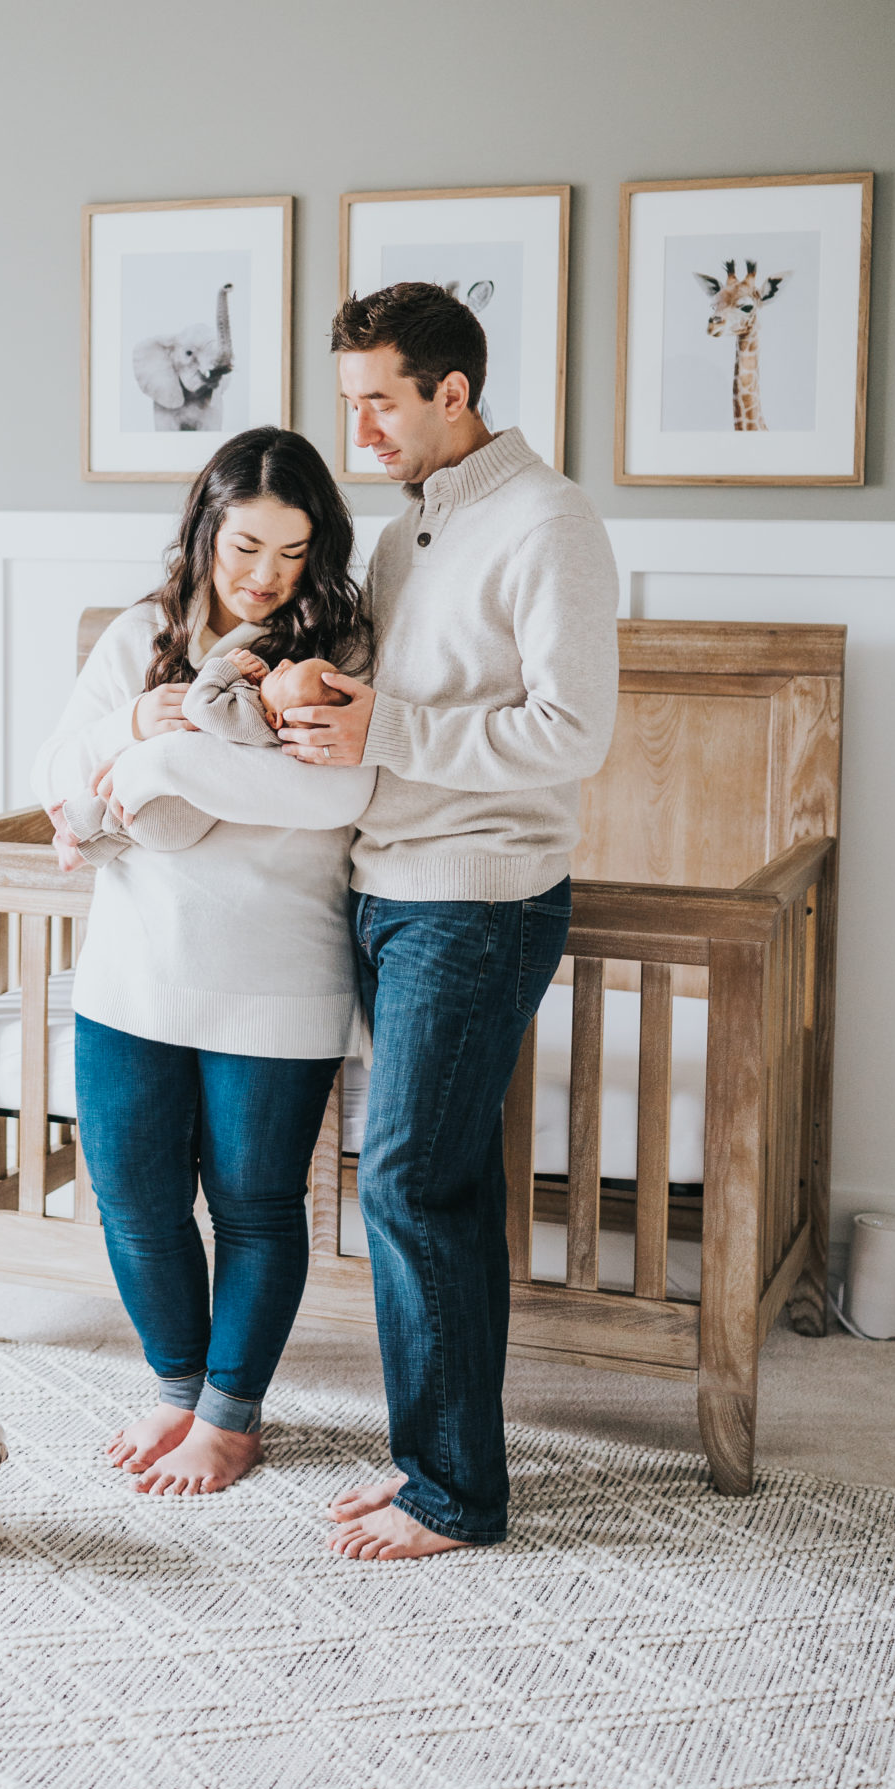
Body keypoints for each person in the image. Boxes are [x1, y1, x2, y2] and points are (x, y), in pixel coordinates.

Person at [278, 282, 619, 1562]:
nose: (358, 427)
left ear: (451, 393)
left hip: (473, 901)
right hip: (384, 886)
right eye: (349, 401)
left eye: (378, 401)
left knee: (411, 1182)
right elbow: (385, 696)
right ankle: (441, 1466)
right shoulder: (403, 531)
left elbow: (570, 730)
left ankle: (453, 1492)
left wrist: (386, 727)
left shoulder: (548, 522)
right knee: (445, 1190)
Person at [32, 427, 371, 1495]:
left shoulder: (343, 648)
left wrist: (158, 764)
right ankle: (177, 1386)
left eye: (289, 550)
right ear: (201, 532)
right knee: (131, 1195)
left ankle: (231, 1415)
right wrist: (132, 720)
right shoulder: (141, 632)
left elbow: (330, 794)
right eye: (242, 548)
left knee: (253, 1205)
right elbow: (53, 766)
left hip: (276, 970)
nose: (265, 576)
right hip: (134, 964)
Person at [52, 651, 351, 864]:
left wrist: (226, 667)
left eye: (285, 672)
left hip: (161, 808)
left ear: (274, 719)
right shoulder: (269, 736)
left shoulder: (249, 715)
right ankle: (81, 855)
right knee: (120, 832)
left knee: (107, 800)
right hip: (178, 827)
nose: (284, 662)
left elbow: (198, 706)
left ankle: (72, 825)